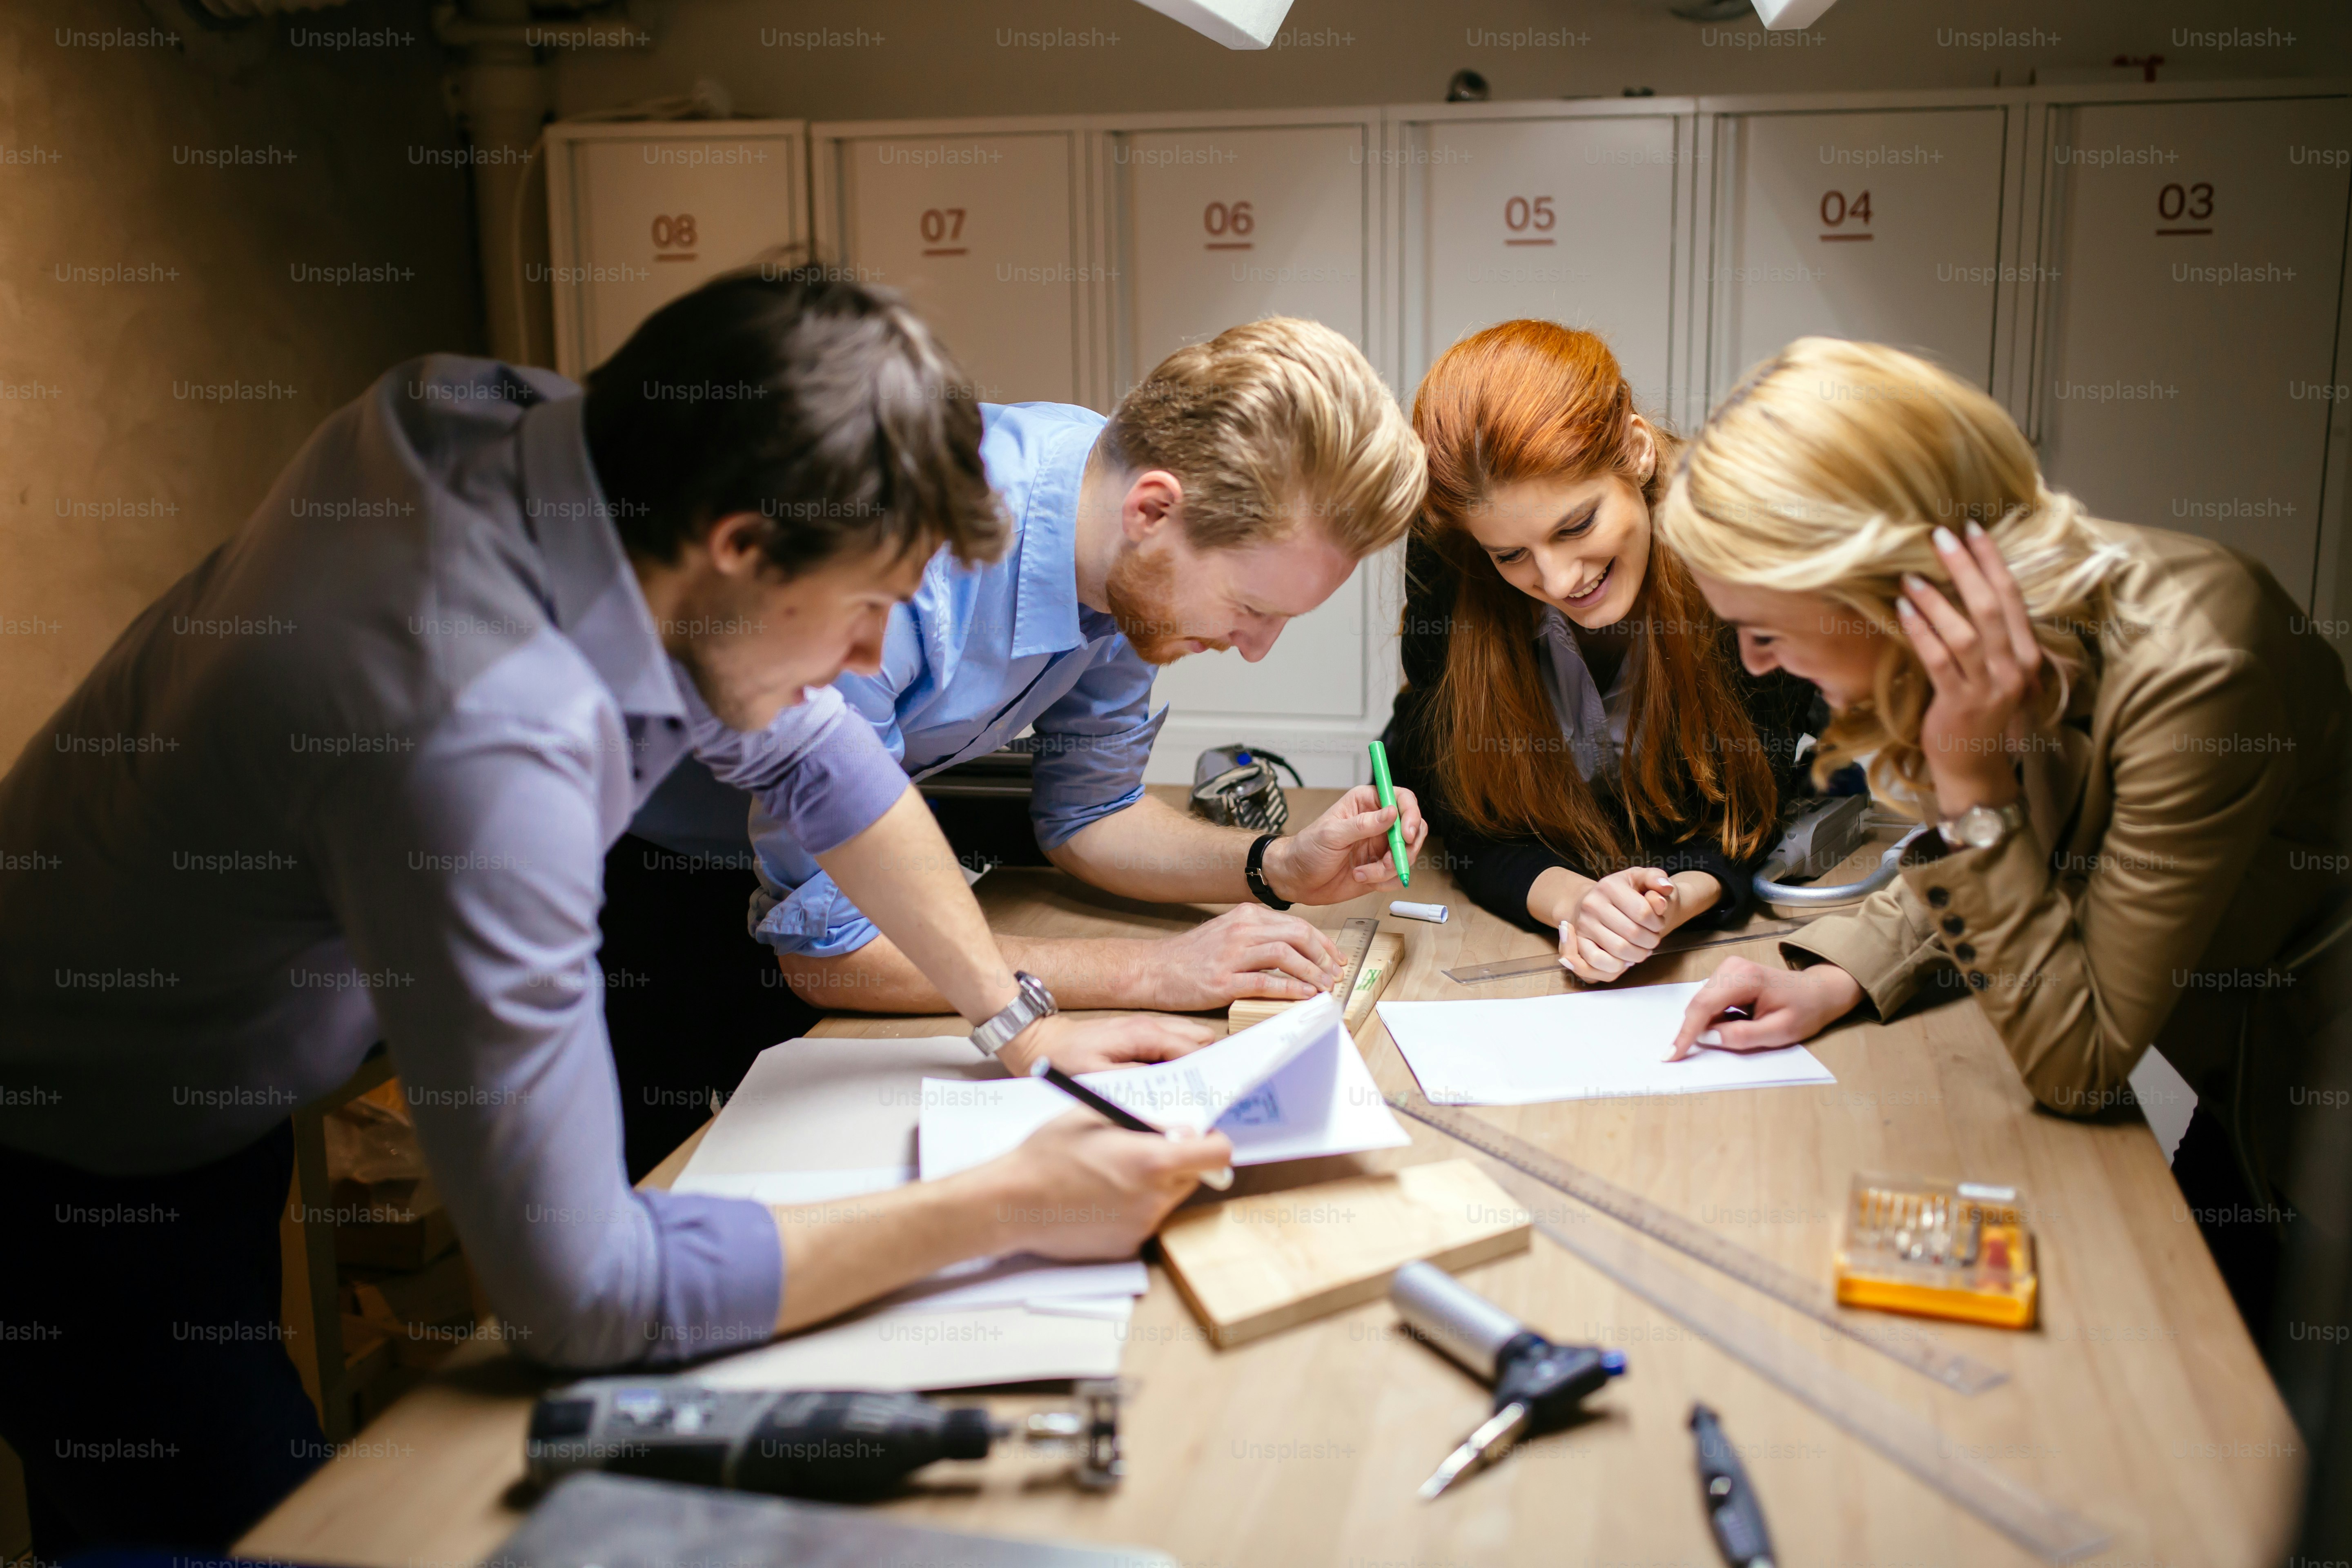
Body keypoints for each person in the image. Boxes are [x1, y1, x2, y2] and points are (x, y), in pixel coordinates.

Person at [0, 268, 1233, 1554]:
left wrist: (1014, 1021)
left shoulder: (551, 445)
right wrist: (1012, 1207)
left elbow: (819, 757)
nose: (873, 663)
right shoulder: (481, 740)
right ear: (745, 547)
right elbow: (578, 1291)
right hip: (78, 1126)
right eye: (869, 608)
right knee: (262, 1527)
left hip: (219, 1006)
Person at [1657, 336, 2352, 1332]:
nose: (1756, 665)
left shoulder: (2202, 674)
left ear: (1880, 589)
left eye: (1765, 630)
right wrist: (1833, 976)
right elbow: (1993, 847)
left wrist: (1973, 782)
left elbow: (2080, 1063)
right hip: (2225, 1072)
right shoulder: (1993, 619)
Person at [690, 318, 1430, 1016]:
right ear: (1151, 513)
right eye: (1249, 606)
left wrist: (1280, 864)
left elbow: (1090, 815)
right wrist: (1152, 971)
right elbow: (829, 955)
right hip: (665, 850)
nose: (1256, 647)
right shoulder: (890, 559)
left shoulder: (1118, 542)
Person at [1383, 320, 1814, 982]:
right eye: (1511, 555)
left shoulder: (1741, 555)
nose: (1559, 582)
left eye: (1577, 525)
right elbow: (1469, 817)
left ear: (1637, 452)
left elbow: (1757, 803)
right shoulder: (1452, 567)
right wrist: (1577, 902)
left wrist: (1670, 903)